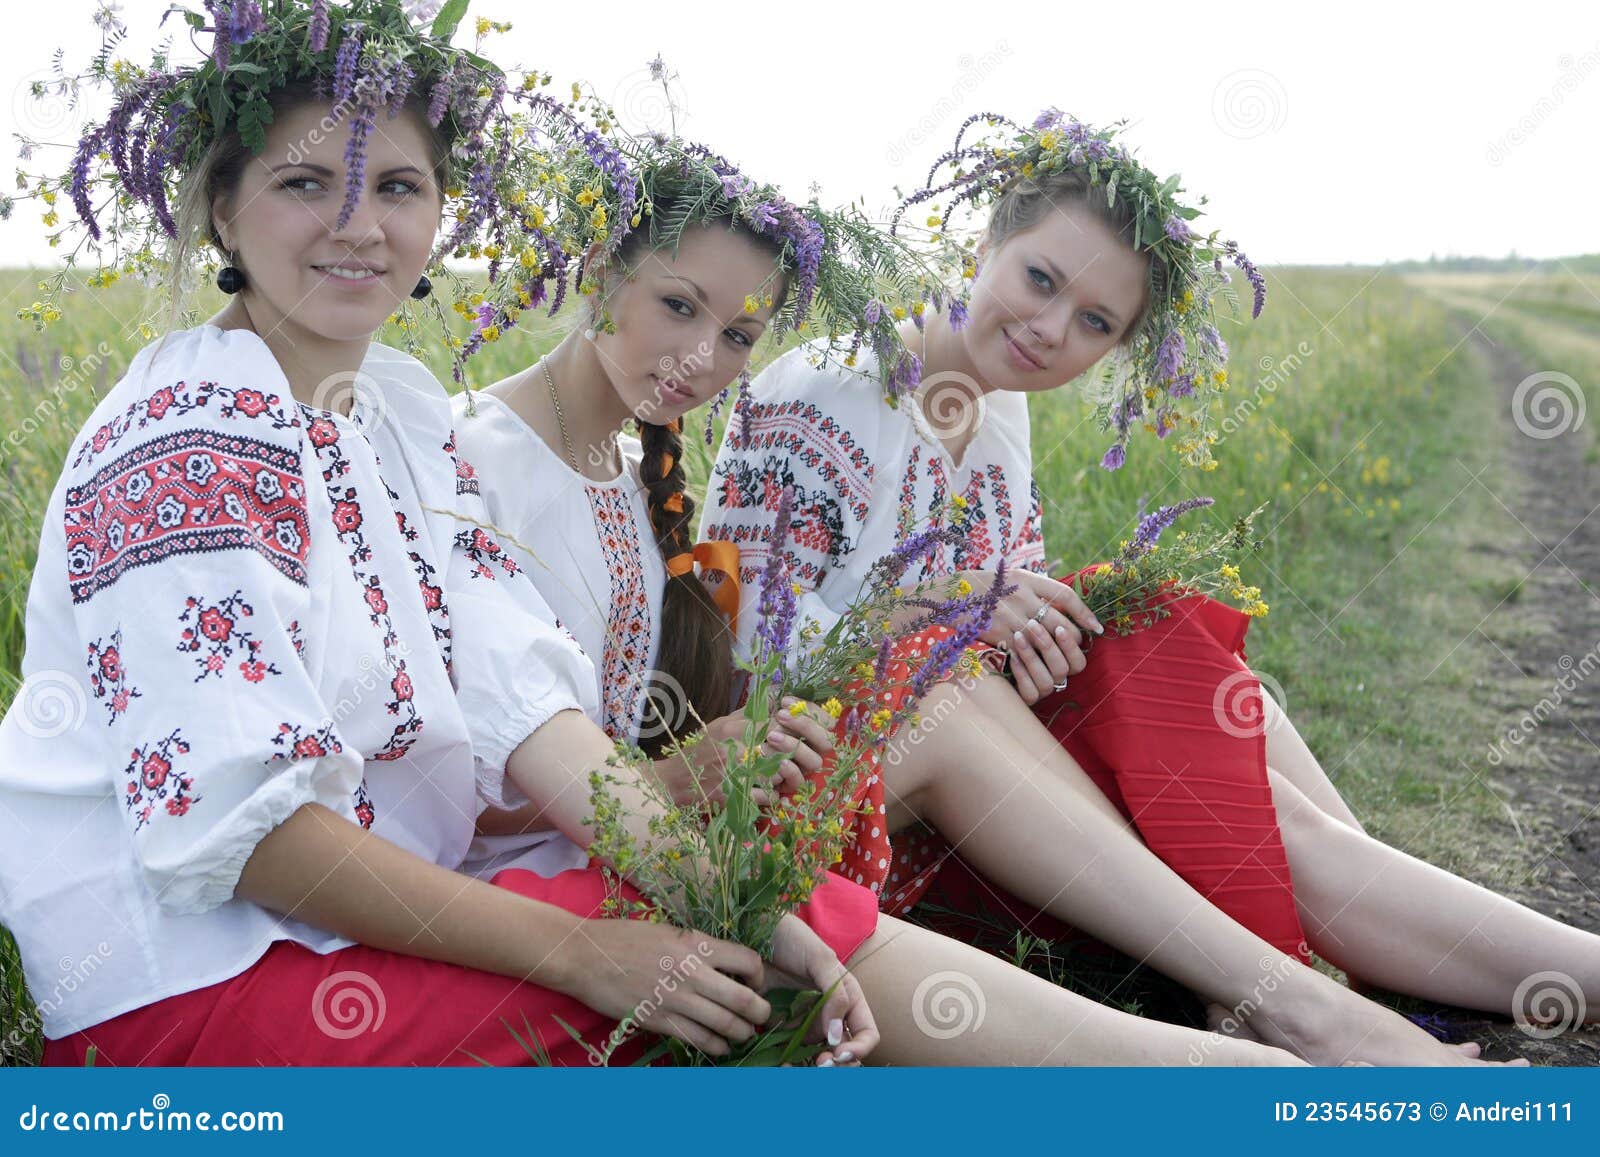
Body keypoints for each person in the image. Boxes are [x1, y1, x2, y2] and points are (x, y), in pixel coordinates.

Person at [700, 112, 1590, 1064]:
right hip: (802, 786)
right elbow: (736, 648)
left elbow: (1000, 618)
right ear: (983, 245)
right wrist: (949, 606)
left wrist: (1027, 625)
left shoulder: (1000, 415)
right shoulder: (828, 387)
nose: (1050, 330)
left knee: (1158, 648)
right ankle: (1302, 997)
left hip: (969, 773)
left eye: (1096, 323)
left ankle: (1468, 963)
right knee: (997, 692)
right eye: (1040, 279)